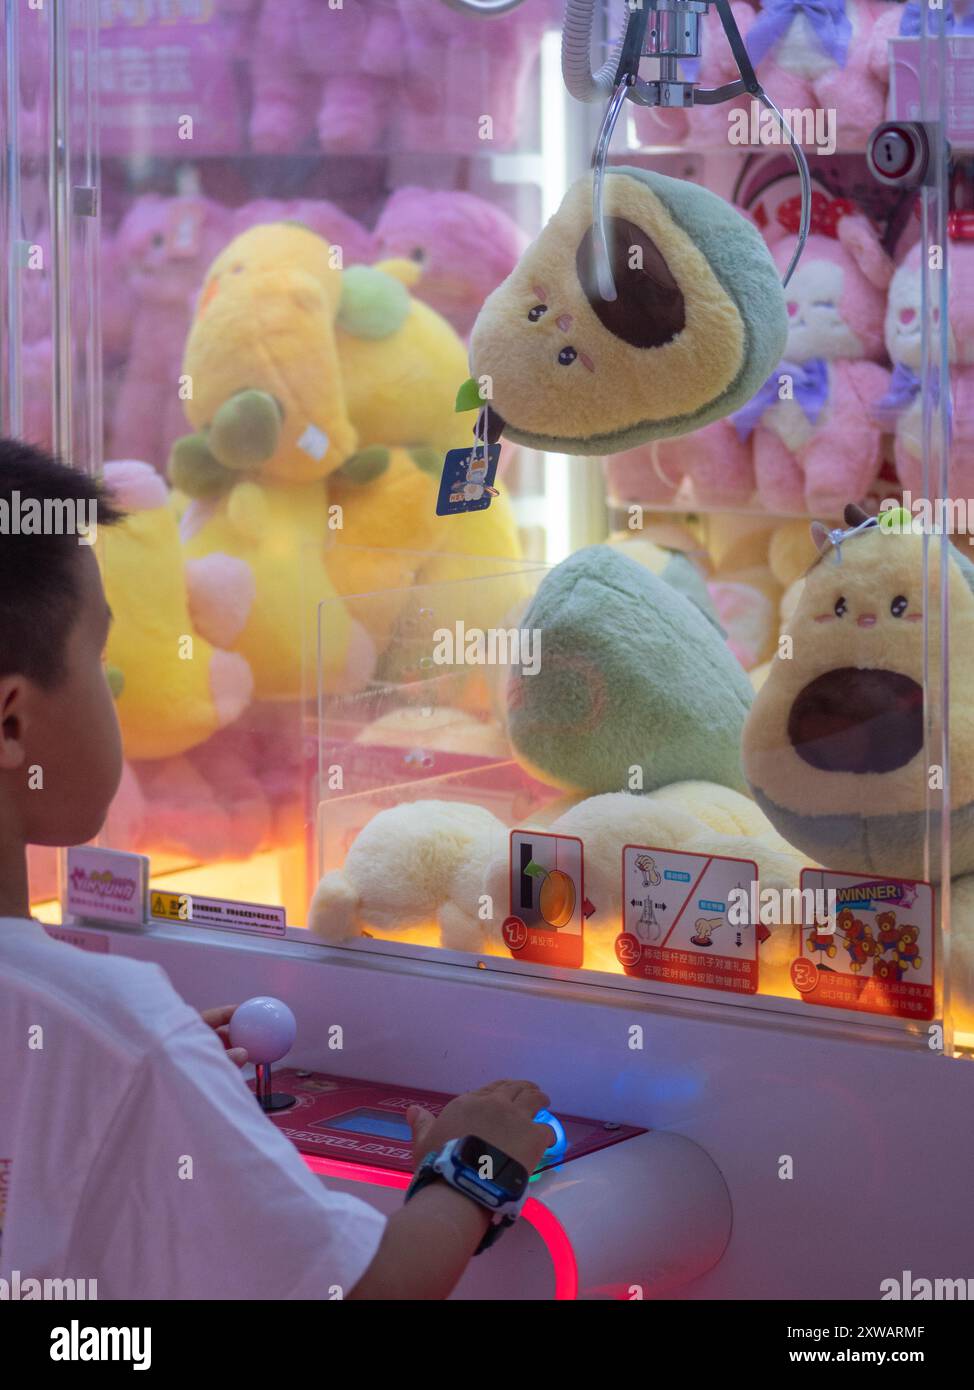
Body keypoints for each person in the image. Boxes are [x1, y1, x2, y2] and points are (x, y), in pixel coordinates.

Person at [0, 438, 553, 1300]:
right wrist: (472, 1168)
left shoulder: (117, 1039)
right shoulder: (116, 1026)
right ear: (12, 724)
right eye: (97, 664)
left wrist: (167, 1077)